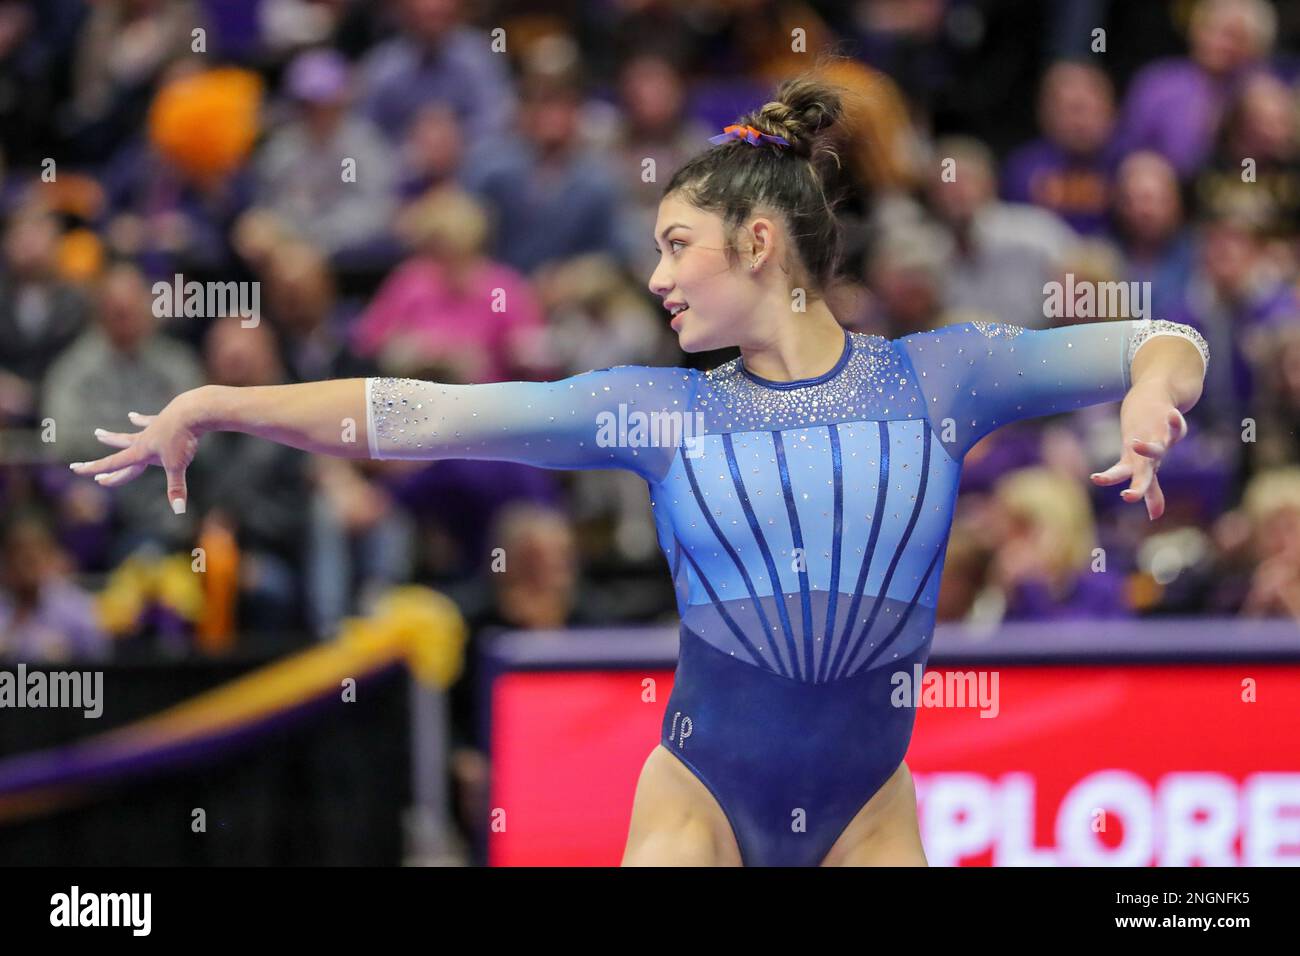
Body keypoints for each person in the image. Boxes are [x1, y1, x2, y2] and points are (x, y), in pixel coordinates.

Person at [65, 71, 1209, 867]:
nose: (655, 277)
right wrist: (222, 401)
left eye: (675, 245)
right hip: (699, 799)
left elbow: (1164, 336)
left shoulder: (939, 379)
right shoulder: (654, 410)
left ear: (759, 245)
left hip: (867, 810)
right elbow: (414, 413)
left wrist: (1153, 391)